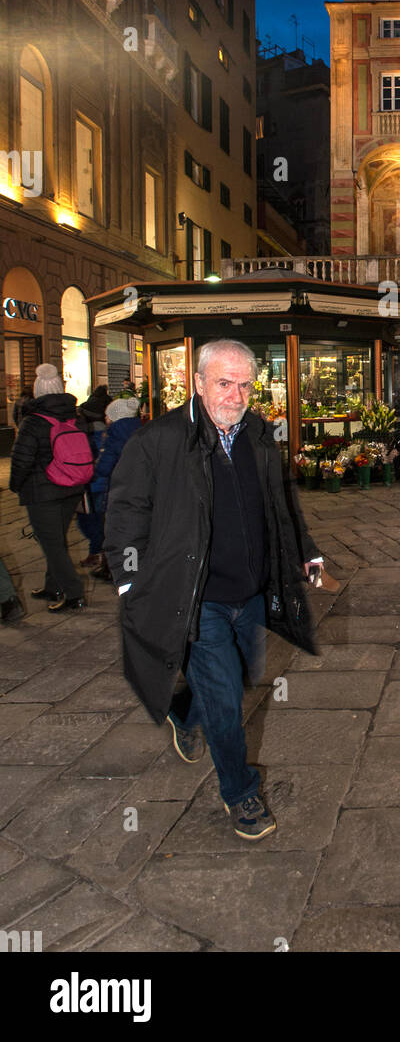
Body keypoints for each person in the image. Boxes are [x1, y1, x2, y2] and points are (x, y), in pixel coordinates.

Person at [104, 338, 323, 842]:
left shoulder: (257, 435)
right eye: (225, 383)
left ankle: (183, 711)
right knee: (225, 701)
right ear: (197, 383)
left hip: (248, 594)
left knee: (240, 677)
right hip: (195, 598)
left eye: (245, 384)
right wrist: (131, 580)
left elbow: (281, 502)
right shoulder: (157, 441)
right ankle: (240, 792)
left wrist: (305, 550)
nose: (236, 394)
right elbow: (125, 514)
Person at [9, 364, 92, 612]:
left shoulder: (33, 421)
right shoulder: (75, 416)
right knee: (56, 540)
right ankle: (52, 585)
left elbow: (21, 459)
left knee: (52, 544)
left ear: (38, 391)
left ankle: (73, 593)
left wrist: (16, 485)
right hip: (72, 487)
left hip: (42, 492)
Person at [84, 395, 143, 578]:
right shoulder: (141, 430)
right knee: (133, 533)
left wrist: (93, 470)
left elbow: (105, 466)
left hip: (117, 491)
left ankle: (118, 569)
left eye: (108, 416)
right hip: (139, 491)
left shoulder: (115, 434)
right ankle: (131, 568)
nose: (106, 419)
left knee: (114, 532)